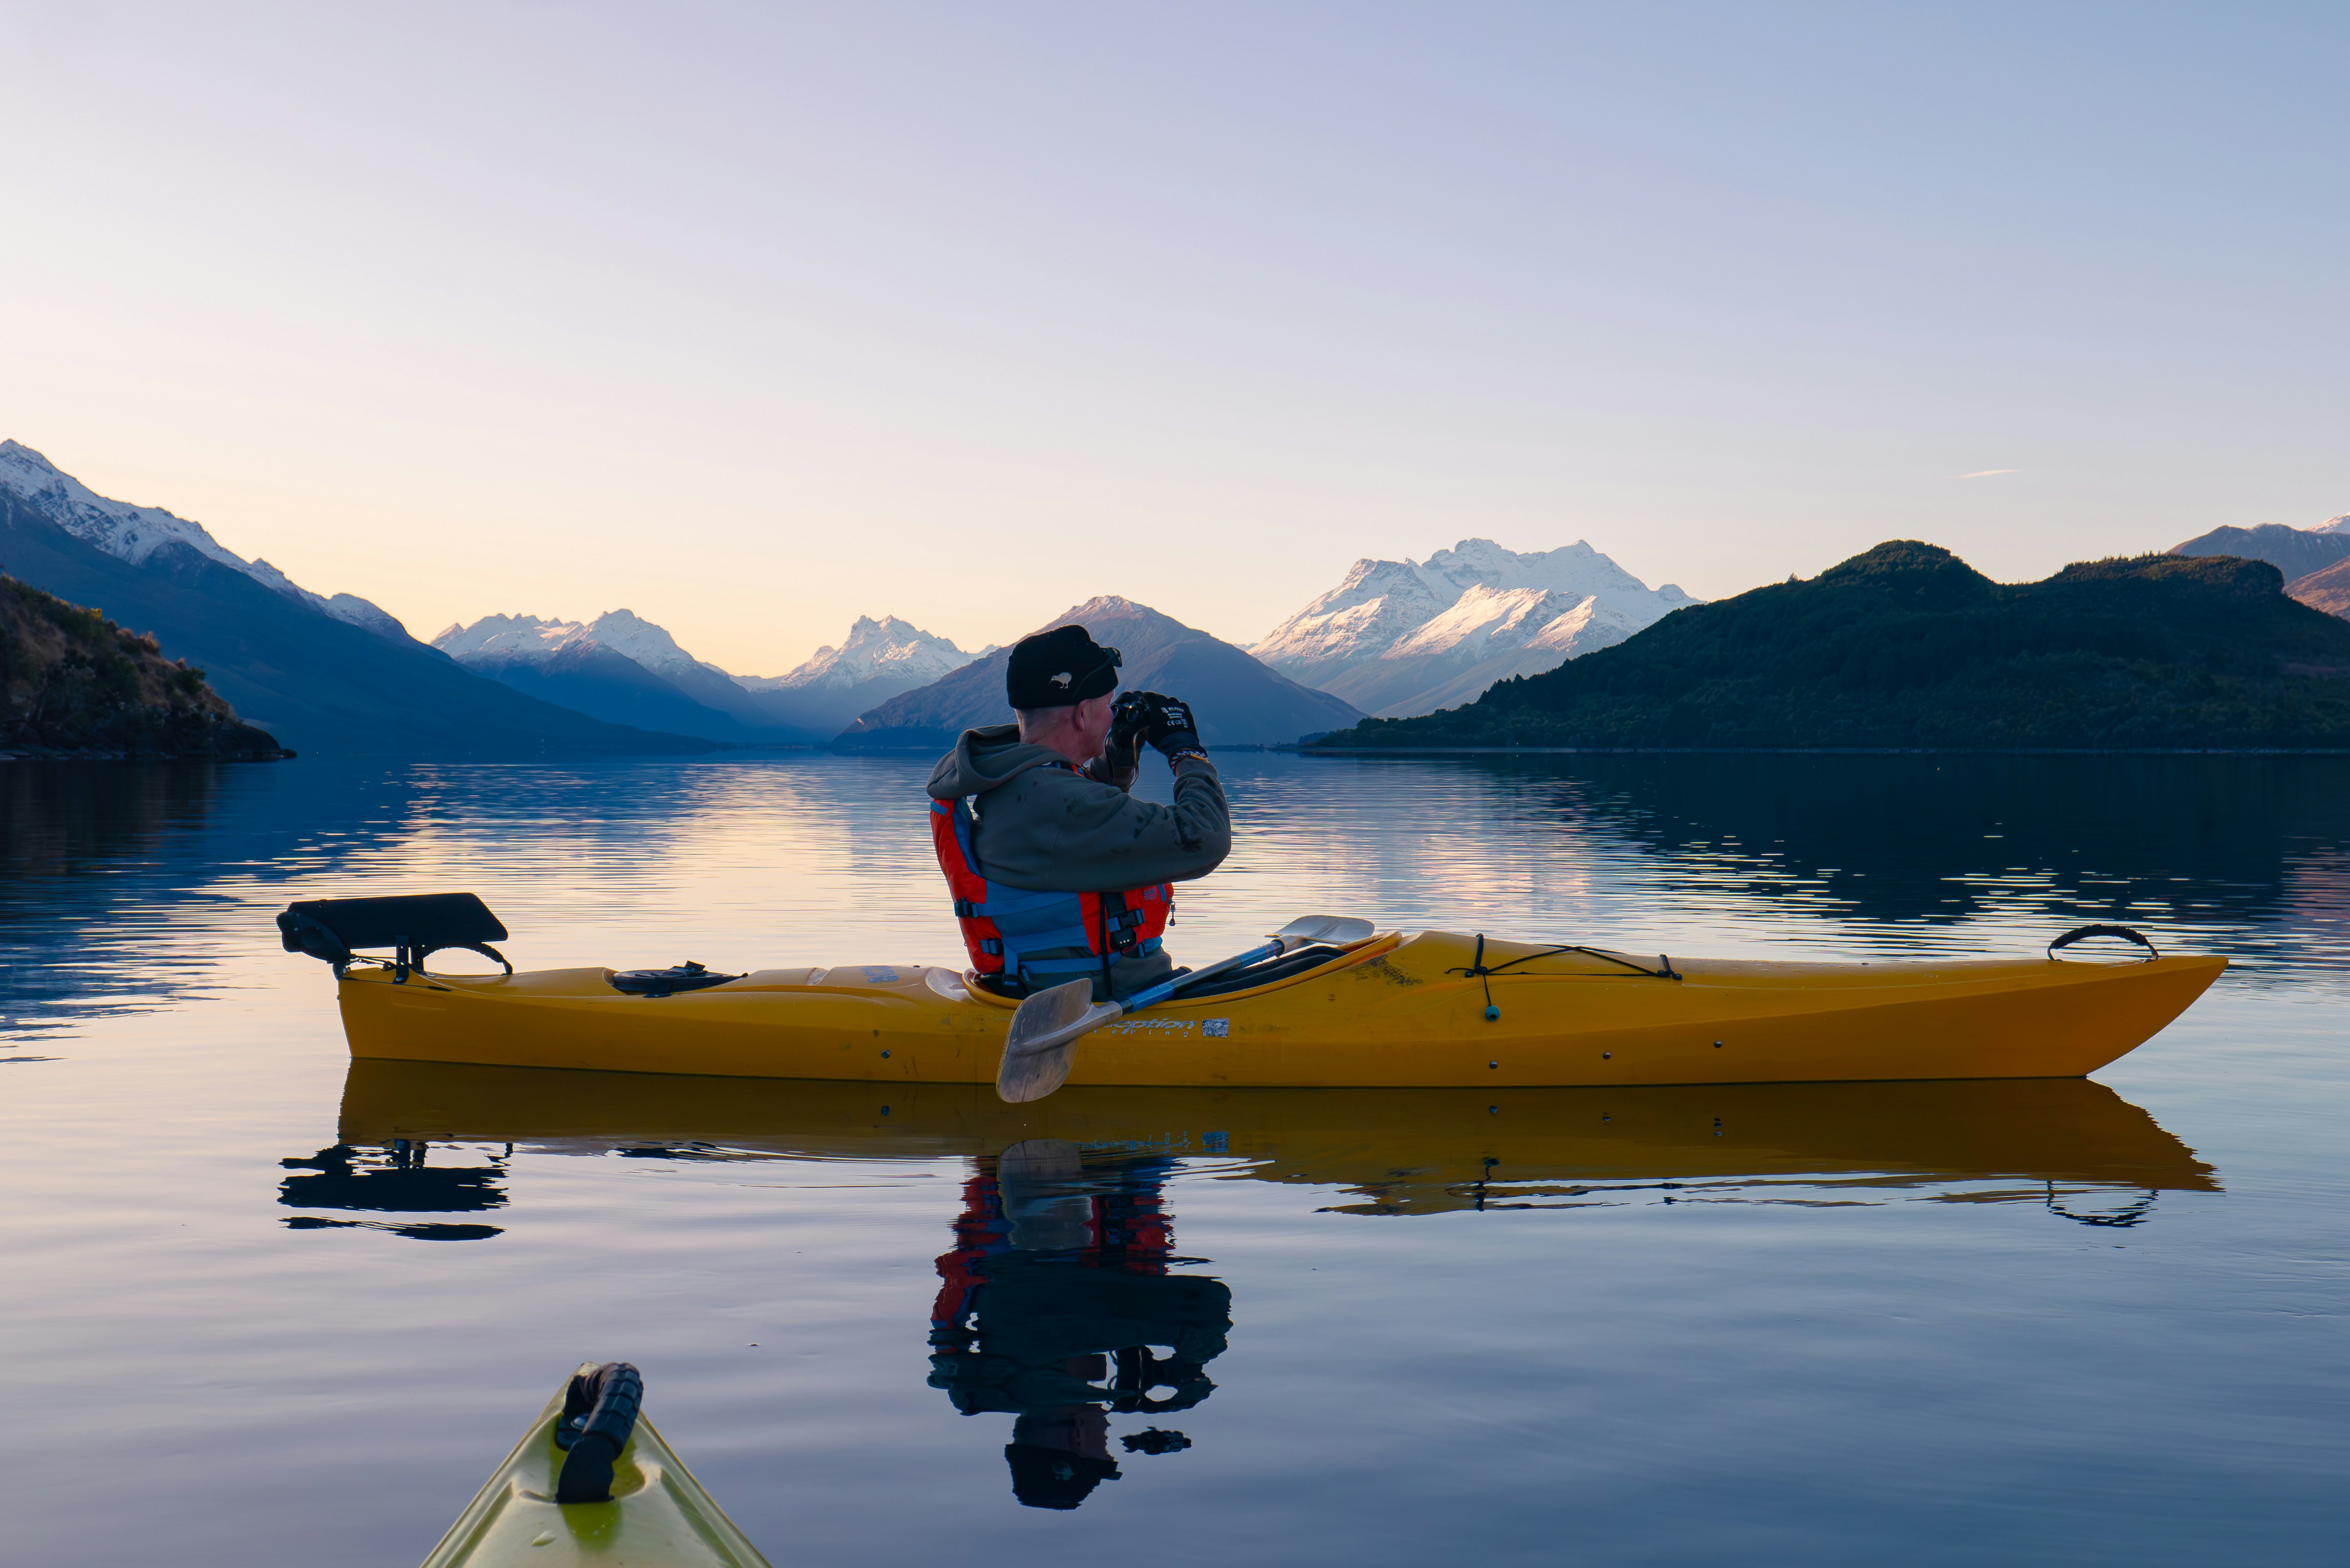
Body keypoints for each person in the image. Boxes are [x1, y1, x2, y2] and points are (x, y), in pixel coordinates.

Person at [928, 624, 1230, 1000]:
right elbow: (1205, 838)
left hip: (1049, 987)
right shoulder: (1058, 803)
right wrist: (1187, 752)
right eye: (1108, 706)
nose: (1111, 716)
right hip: (1093, 1001)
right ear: (1083, 715)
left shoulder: (1012, 778)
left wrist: (1121, 745)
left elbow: (1084, 811)